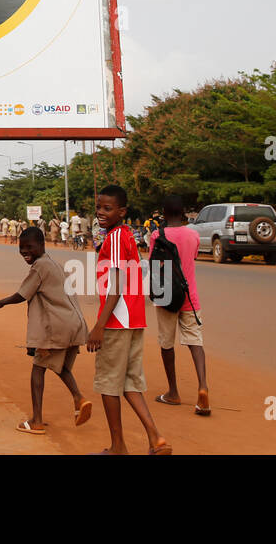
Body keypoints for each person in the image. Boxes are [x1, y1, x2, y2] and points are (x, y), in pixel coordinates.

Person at [87, 184, 171, 454]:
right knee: (130, 383)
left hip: (116, 322)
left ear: (122, 212)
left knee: (109, 385)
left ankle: (118, 447)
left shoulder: (113, 239)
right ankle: (156, 438)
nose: (101, 212)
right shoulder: (126, 235)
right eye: (99, 206)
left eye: (107, 208)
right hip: (134, 320)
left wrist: (99, 326)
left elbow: (116, 283)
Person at [0, 226, 93, 434]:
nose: (25, 252)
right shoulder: (53, 264)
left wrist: (1, 302)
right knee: (58, 364)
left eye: (30, 247)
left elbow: (22, 294)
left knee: (38, 368)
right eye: (22, 248)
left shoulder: (39, 267)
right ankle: (79, 399)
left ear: (42, 246)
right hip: (73, 324)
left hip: (57, 326)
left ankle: (36, 420)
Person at [148, 195, 210, 416]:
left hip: (166, 296)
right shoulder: (193, 234)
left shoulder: (157, 235)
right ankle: (203, 387)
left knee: (166, 344)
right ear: (183, 213)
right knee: (196, 342)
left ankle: (173, 392)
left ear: (163, 213)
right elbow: (190, 258)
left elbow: (154, 264)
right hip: (190, 297)